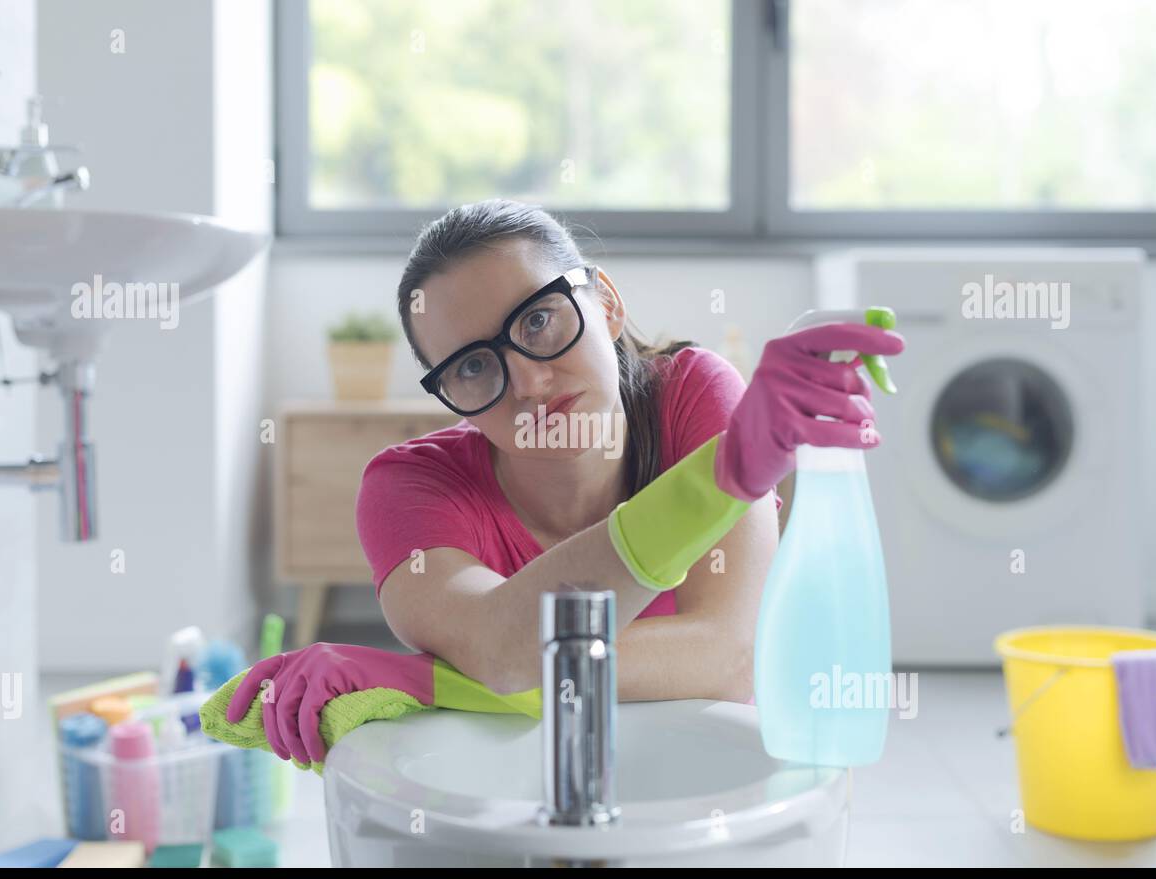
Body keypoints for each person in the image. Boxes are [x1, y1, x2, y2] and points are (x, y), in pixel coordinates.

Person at [227, 198, 903, 766]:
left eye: (539, 319)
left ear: (605, 304)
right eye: (471, 367)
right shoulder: (409, 487)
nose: (526, 382)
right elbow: (498, 644)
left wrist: (436, 678)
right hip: (517, 782)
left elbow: (727, 656)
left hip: (695, 767)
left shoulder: (691, 395)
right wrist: (493, 655)